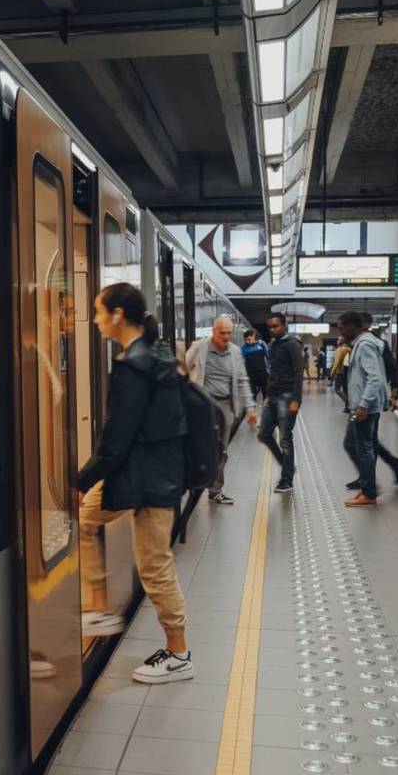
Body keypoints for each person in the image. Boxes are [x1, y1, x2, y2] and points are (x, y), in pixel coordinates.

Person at [77, 282, 194, 684]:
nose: (95, 320)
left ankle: (178, 653)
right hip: (148, 473)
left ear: (117, 315)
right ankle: (99, 608)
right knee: (86, 519)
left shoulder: (134, 367)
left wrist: (83, 479)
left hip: (150, 480)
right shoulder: (155, 355)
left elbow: (117, 437)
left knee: (154, 565)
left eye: (98, 312)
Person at [186, 316, 258, 504]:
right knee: (198, 448)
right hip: (202, 406)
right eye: (222, 333)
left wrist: (251, 408)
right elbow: (183, 368)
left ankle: (215, 490)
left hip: (225, 406)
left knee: (222, 450)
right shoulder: (199, 347)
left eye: (229, 333)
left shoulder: (235, 352)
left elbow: (242, 380)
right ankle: (193, 485)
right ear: (214, 331)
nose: (226, 337)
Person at [338, 311, 388, 507]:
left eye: (342, 327)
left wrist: (362, 405)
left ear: (353, 326)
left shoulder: (365, 344)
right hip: (365, 405)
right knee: (359, 445)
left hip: (365, 407)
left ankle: (369, 492)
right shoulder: (362, 343)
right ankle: (367, 487)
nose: (341, 332)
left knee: (363, 448)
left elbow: (374, 378)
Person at [354, 312, 398, 485]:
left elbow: (392, 369)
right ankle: (373, 474)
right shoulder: (356, 342)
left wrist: (394, 393)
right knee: (365, 440)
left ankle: (368, 481)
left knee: (361, 441)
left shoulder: (377, 344)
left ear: (365, 325)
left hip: (370, 400)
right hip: (360, 400)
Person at [259, 311, 304, 493]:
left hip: (287, 396)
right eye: (269, 327)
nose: (272, 329)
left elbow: (299, 373)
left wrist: (296, 399)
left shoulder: (292, 344)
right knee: (263, 434)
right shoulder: (272, 345)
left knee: (285, 439)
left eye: (276, 326)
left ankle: (287, 480)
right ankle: (287, 465)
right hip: (272, 396)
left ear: (284, 325)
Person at [242, 329, 271, 402]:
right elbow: (241, 361)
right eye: (245, 340)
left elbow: (269, 357)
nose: (247, 342)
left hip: (262, 373)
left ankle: (265, 406)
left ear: (253, 336)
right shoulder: (243, 348)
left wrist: (269, 368)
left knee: (266, 392)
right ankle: (253, 407)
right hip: (250, 374)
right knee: (252, 394)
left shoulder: (261, 344)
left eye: (249, 339)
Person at [331, 338, 351, 411]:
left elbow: (337, 362)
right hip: (348, 371)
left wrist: (333, 371)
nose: (337, 341)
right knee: (346, 389)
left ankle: (348, 402)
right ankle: (347, 407)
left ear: (342, 341)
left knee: (337, 389)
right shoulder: (349, 349)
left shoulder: (340, 349)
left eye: (338, 339)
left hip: (340, 371)